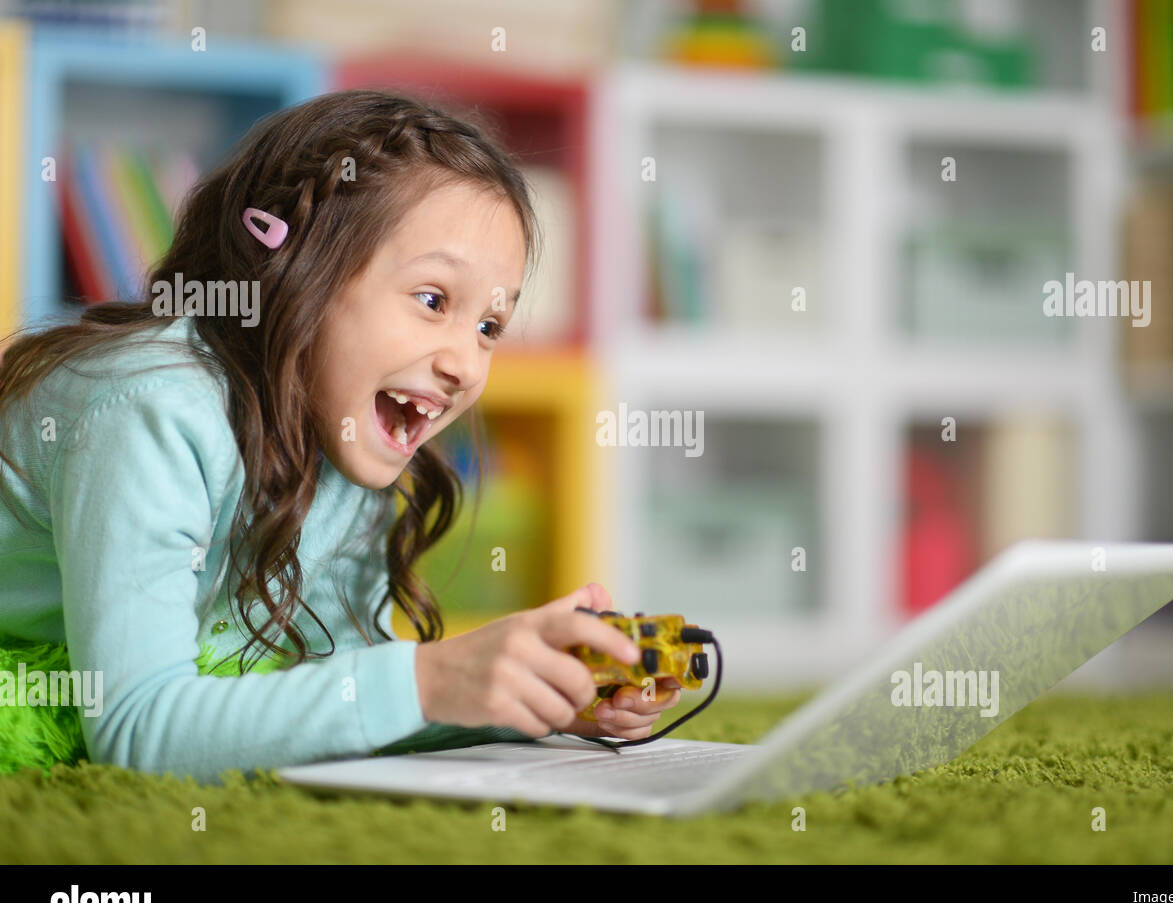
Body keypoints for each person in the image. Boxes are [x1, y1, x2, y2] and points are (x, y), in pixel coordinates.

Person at [0, 89, 680, 783]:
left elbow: (340, 692)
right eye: (433, 300)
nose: (465, 365)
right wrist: (431, 677)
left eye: (489, 327)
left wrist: (519, 697)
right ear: (297, 273)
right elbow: (137, 731)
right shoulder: (152, 411)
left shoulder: (346, 430)